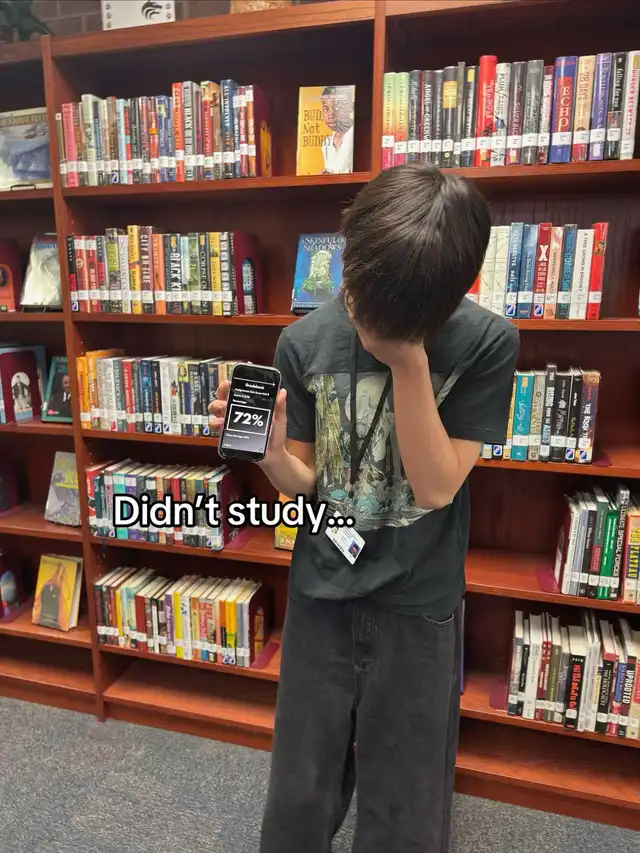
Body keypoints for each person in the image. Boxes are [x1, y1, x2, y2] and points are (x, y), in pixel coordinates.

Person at [209, 163, 520, 853]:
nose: (363, 316)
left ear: (460, 287)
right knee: (300, 786)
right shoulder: (304, 342)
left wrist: (406, 360)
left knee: (406, 796)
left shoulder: (486, 343)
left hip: (419, 602)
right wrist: (268, 454)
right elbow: (302, 483)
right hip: (322, 590)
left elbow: (436, 487)